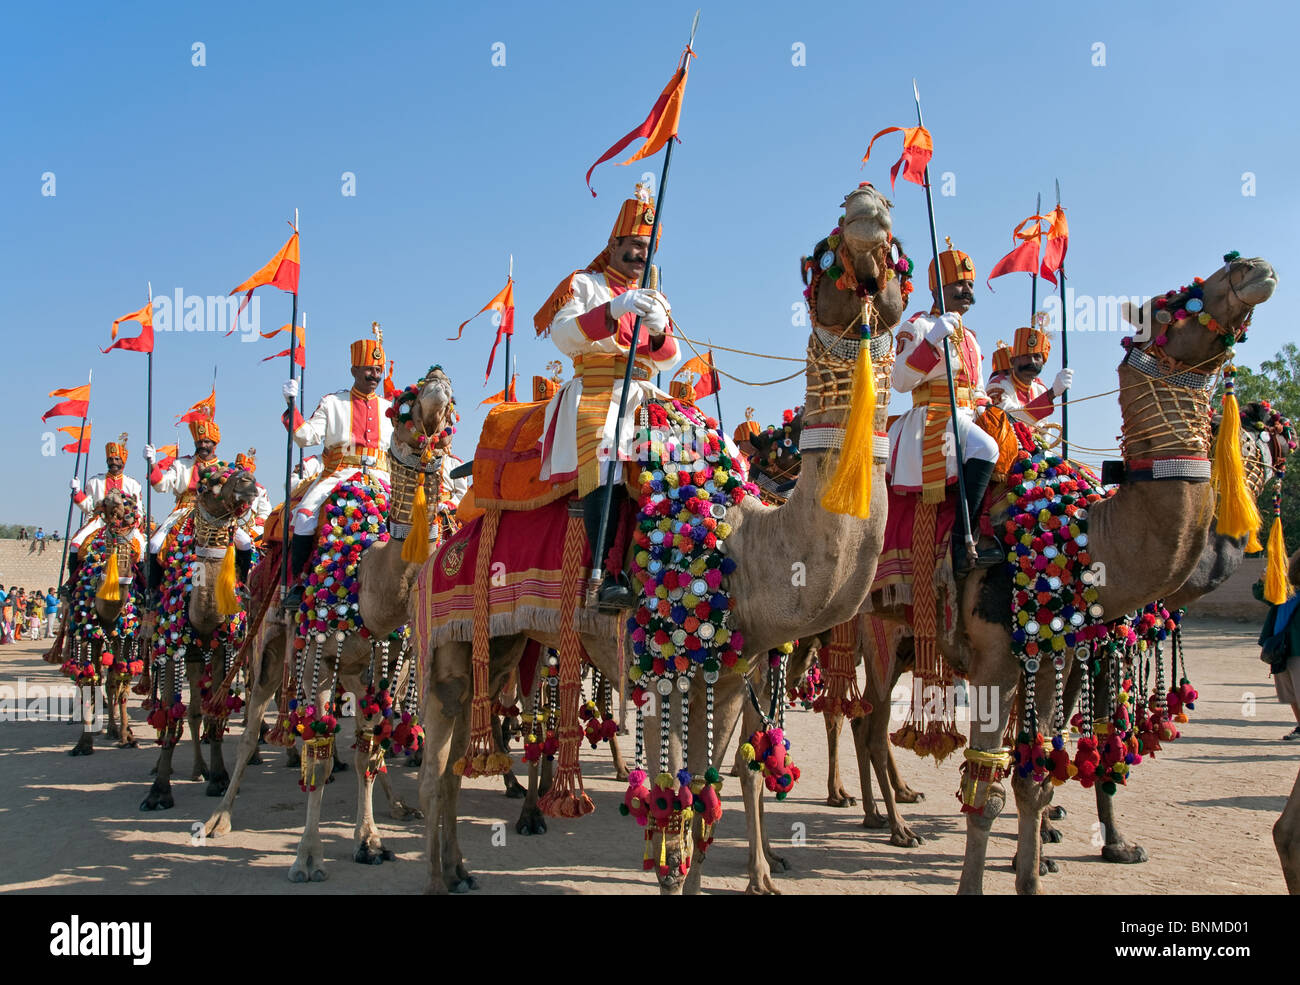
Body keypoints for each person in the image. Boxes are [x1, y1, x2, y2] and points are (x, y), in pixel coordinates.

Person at [532, 182, 681, 607]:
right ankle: (605, 573)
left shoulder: (656, 296)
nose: (640, 255)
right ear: (614, 244)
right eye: (633, 245)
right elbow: (563, 335)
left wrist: (658, 326)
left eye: (647, 248)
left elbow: (670, 357)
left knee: (691, 450)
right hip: (596, 388)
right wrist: (613, 310)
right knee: (608, 452)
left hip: (642, 391)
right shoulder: (584, 284)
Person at [887, 237, 1002, 571]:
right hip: (933, 416)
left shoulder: (971, 337)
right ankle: (964, 540)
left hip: (966, 414)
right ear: (937, 288)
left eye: (969, 284)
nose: (966, 290)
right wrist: (932, 342)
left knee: (1011, 446)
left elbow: (977, 389)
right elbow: (900, 380)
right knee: (986, 449)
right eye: (958, 284)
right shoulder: (919, 325)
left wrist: (987, 410)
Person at [279, 324, 394, 609]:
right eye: (368, 369)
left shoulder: (388, 408)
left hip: (380, 476)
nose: (374, 376)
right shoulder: (333, 403)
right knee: (304, 516)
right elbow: (305, 436)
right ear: (354, 369)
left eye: (378, 371)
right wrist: (291, 407)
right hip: (339, 473)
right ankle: (299, 583)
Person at [145, 413, 222, 595]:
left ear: (214, 443)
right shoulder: (181, 464)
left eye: (206, 441)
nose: (202, 445)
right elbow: (161, 485)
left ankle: (239, 586)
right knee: (155, 544)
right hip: (184, 511)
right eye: (199, 442)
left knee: (243, 542)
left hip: (214, 514)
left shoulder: (222, 467)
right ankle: (152, 592)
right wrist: (152, 464)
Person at [65, 437, 145, 594]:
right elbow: (87, 506)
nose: (113, 462)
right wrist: (77, 493)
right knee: (76, 544)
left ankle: (145, 588)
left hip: (125, 526)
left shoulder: (133, 484)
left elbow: (139, 511)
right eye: (110, 459)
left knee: (142, 548)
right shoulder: (95, 481)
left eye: (116, 459)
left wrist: (133, 522)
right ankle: (71, 585)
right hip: (99, 522)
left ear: (123, 461)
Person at [984, 324, 1073, 429]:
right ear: (1013, 361)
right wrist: (1051, 394)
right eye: (1025, 356)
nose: (1031, 361)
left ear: (1043, 362)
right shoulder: (997, 385)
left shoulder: (1040, 388)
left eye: (1036, 356)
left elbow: (1042, 427)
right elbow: (1011, 419)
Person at [1257, 577, 1300, 740]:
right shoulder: (1285, 591)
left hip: (1298, 647)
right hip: (1280, 648)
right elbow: (1261, 594)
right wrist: (1263, 580)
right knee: (1290, 694)